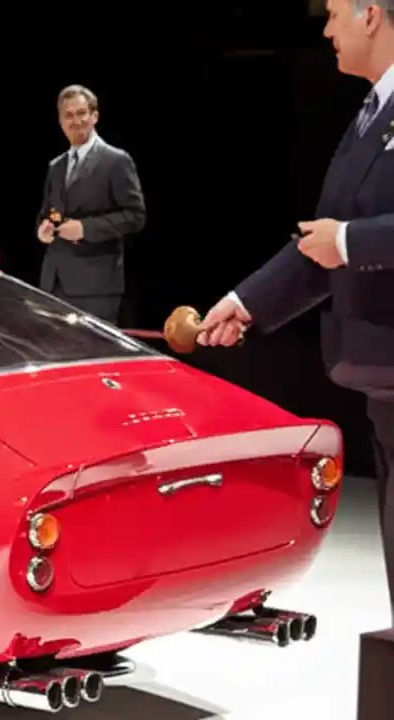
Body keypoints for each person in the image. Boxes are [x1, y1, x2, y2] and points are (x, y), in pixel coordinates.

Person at [197, 0, 394, 619]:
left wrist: (349, 242)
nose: (327, 29)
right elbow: (321, 239)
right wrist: (246, 302)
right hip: (381, 378)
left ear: (371, 15)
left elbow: (341, 239)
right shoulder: (370, 113)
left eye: (335, 13)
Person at [35, 84, 146, 324]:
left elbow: (135, 216)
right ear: (60, 121)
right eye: (68, 115)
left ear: (94, 116)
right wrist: (44, 229)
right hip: (53, 283)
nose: (75, 121)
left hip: (96, 287)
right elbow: (48, 213)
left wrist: (85, 228)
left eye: (81, 113)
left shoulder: (116, 161)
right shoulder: (56, 167)